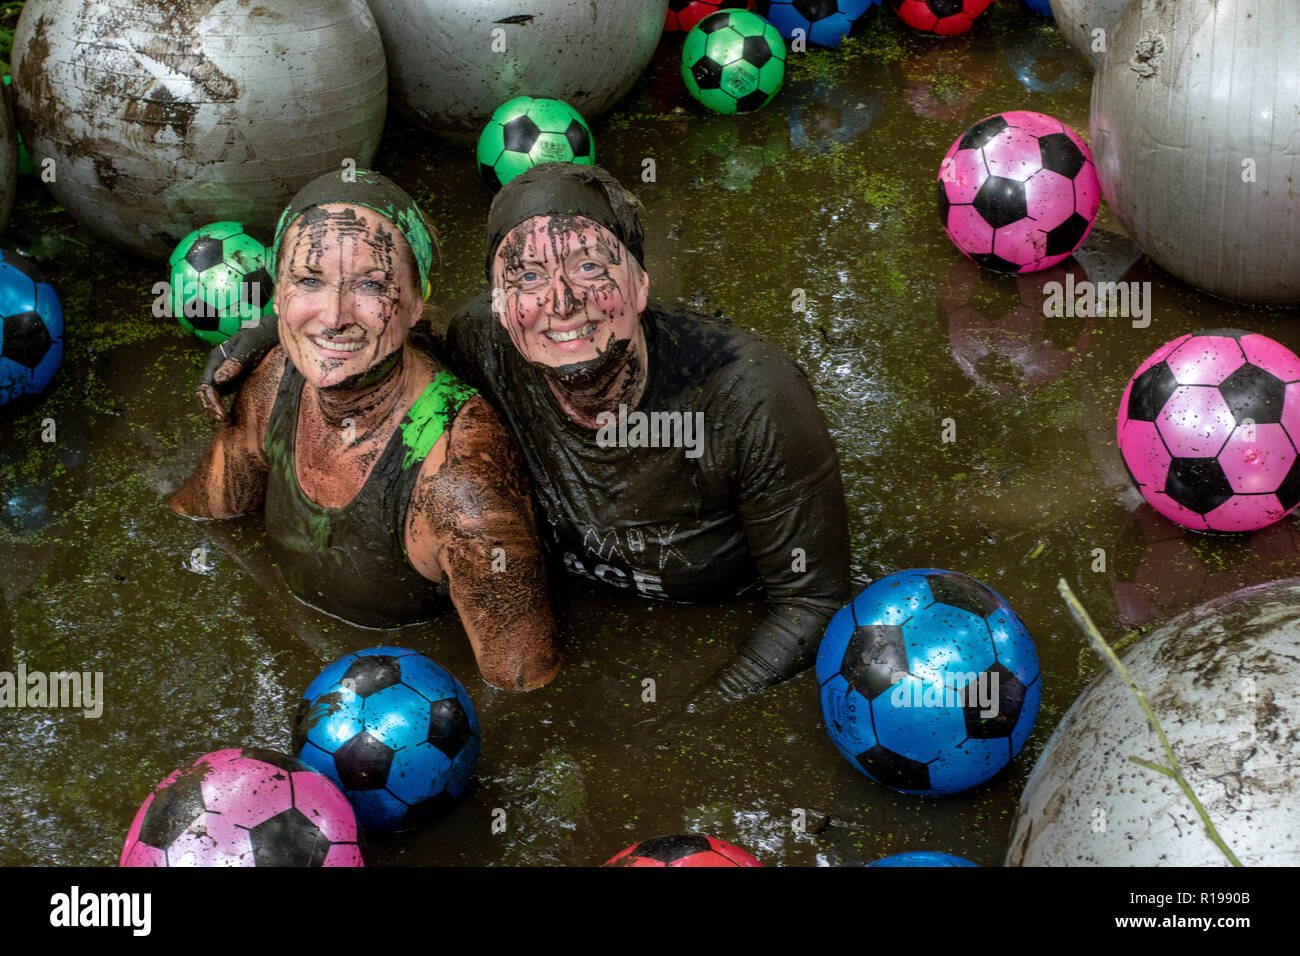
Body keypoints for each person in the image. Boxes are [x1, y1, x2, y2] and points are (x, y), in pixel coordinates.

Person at [200, 163, 850, 712]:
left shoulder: (749, 397)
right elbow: (382, 336)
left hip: (706, 604)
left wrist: (700, 719)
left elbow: (811, 602)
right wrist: (269, 336)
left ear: (641, 282)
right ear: (503, 303)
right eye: (528, 276)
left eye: (591, 265)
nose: (561, 300)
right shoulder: (483, 341)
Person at [173, 169, 561, 692]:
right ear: (277, 295)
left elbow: (526, 695)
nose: (334, 316)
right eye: (308, 281)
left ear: (415, 303)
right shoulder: (272, 385)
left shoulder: (459, 488)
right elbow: (202, 519)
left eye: (372, 286)